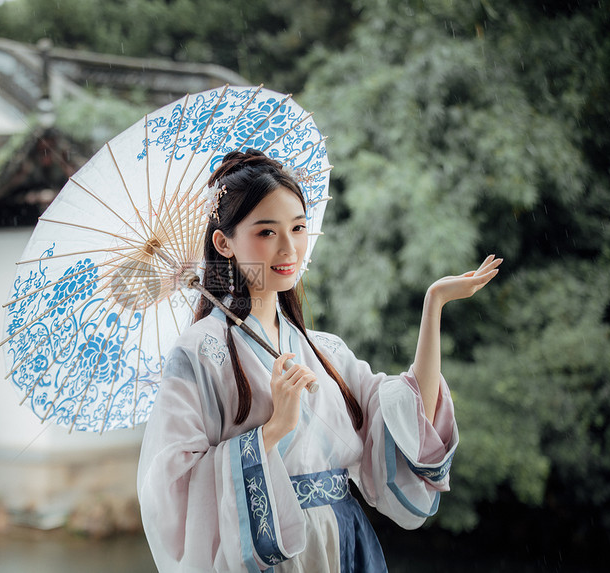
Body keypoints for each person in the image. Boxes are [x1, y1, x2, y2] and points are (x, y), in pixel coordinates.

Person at [137, 149, 502, 572]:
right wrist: (273, 430)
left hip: (345, 542)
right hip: (272, 550)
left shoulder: (325, 351)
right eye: (266, 232)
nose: (289, 247)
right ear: (224, 242)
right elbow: (171, 486)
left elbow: (404, 408)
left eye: (298, 227)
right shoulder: (199, 352)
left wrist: (433, 305)